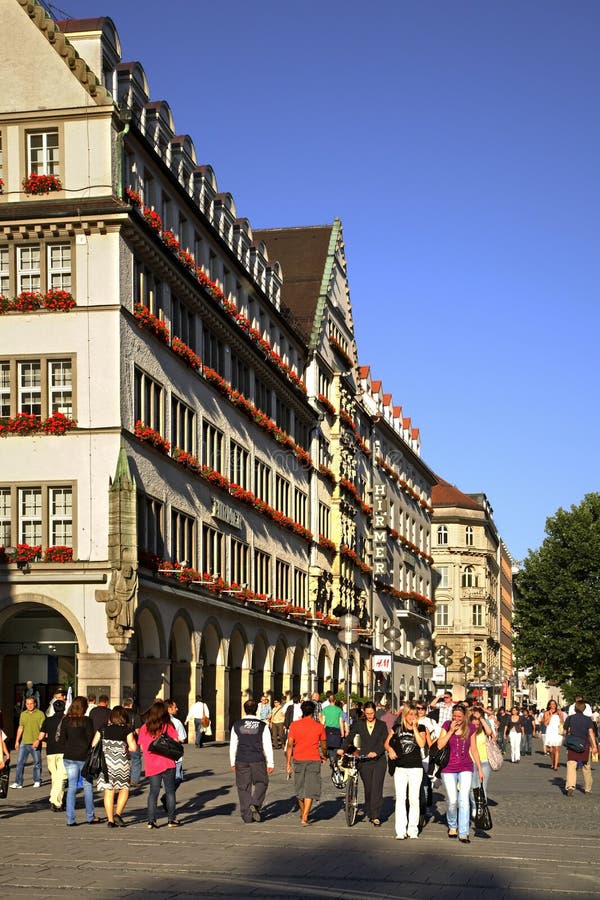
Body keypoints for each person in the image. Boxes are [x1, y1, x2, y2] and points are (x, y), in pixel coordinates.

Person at [436, 703, 484, 843]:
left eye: (459, 716)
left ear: (465, 716)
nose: (456, 718)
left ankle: (464, 832)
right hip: (449, 768)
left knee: (463, 799)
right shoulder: (446, 725)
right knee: (452, 800)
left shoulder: (471, 727)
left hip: (466, 766)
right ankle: (452, 825)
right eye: (454, 716)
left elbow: (474, 749)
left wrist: (480, 769)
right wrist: (450, 731)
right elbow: (440, 745)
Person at [341, 700, 388, 827]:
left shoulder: (382, 725)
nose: (370, 716)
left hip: (379, 760)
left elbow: (385, 742)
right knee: (369, 788)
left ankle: (375, 815)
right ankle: (370, 810)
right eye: (367, 713)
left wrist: (377, 752)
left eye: (372, 713)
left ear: (375, 712)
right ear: (364, 713)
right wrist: (342, 748)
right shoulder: (359, 724)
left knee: (377, 787)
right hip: (365, 760)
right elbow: (350, 737)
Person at [385, 701, 428, 839]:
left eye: (414, 715)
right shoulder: (397, 728)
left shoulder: (421, 727)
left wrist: (414, 728)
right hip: (400, 768)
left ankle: (413, 830)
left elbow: (422, 744)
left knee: (414, 799)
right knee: (401, 799)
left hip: (416, 768)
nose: (412, 717)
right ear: (405, 715)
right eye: (410, 715)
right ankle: (400, 830)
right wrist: (390, 749)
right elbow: (386, 743)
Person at [137, 700, 182, 828]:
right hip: (167, 762)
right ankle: (171, 820)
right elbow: (176, 741)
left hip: (152, 764)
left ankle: (151, 821)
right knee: (170, 792)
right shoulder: (167, 725)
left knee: (153, 792)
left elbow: (141, 747)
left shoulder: (144, 728)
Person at [92, 704, 137, 827]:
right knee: (124, 789)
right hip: (121, 764)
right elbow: (133, 747)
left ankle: (110, 820)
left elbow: (94, 744)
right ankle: (118, 814)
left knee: (109, 791)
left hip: (106, 764)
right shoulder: (126, 730)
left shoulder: (103, 728)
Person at [230, 698, 274, 823]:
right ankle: (255, 803)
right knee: (262, 782)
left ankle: (247, 816)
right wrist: (270, 762)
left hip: (242, 758)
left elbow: (233, 744)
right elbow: (267, 745)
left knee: (243, 787)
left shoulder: (237, 724)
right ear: (257, 710)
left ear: (244, 709)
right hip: (257, 758)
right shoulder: (262, 725)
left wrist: (232, 761)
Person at [286, 700, 327, 825]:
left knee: (300, 787)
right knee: (310, 788)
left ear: (302, 711)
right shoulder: (319, 726)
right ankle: (304, 816)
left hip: (298, 758)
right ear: (313, 712)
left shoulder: (294, 725)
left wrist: (288, 763)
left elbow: (289, 745)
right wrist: (324, 755)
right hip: (313, 759)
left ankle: (304, 813)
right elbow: (324, 745)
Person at [59, 696, 98, 826]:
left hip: (69, 756)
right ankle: (90, 816)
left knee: (71, 787)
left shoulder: (66, 721)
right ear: (84, 707)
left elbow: (62, 739)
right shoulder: (87, 721)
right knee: (87, 786)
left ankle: (70, 819)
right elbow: (90, 739)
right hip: (83, 757)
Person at [563, 700, 598, 797]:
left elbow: (564, 731)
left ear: (574, 708)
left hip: (573, 743)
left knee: (571, 765)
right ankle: (588, 788)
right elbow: (591, 733)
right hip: (584, 743)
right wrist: (594, 746)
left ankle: (570, 786)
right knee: (586, 766)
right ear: (584, 708)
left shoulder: (570, 718)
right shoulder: (588, 720)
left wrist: (567, 737)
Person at [38, 698, 67, 811]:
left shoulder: (48, 720)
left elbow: (41, 736)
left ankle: (54, 799)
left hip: (50, 751)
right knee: (61, 778)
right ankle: (57, 802)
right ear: (64, 708)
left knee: (55, 777)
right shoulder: (67, 720)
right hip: (63, 751)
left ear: (53, 709)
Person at [11, 696, 45, 788]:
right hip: (24, 742)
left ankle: (37, 780)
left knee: (37, 762)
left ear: (35, 704)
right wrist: (17, 741)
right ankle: (18, 782)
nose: (29, 705)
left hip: (35, 742)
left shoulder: (40, 714)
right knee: (19, 762)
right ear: (25, 704)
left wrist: (39, 740)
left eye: (31, 703)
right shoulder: (23, 714)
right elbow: (20, 727)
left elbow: (43, 728)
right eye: (27, 704)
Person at [469, 706, 494, 820]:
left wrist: (482, 718)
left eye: (477, 723)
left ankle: (482, 808)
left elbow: (490, 732)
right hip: (471, 762)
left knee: (482, 787)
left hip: (484, 761)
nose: (476, 725)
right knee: (472, 787)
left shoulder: (483, 729)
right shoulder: (468, 730)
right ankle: (474, 806)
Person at [162, 699, 186, 806]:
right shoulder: (176, 722)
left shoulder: (158, 721)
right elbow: (182, 738)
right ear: (169, 708)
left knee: (165, 779)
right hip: (175, 755)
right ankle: (168, 797)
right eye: (175, 707)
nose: (177, 709)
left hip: (161, 755)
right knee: (178, 778)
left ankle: (167, 796)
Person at [320, 692, 346, 764]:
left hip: (327, 730)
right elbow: (341, 722)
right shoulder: (339, 710)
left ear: (329, 701)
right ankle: (334, 758)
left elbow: (323, 721)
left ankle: (331, 757)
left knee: (329, 745)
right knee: (336, 745)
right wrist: (342, 732)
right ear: (335, 701)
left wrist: (321, 730)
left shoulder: (325, 709)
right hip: (336, 730)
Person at [123, 698, 143, 786]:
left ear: (123, 704)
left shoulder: (119, 714)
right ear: (131, 705)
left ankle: (123, 779)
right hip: (133, 740)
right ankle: (134, 780)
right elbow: (138, 730)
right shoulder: (135, 714)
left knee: (123, 760)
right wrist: (142, 742)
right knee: (136, 760)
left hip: (121, 740)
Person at [543, 699, 565, 770]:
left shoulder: (559, 712)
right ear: (549, 705)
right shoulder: (546, 713)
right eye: (551, 704)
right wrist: (550, 716)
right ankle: (553, 762)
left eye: (554, 704)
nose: (553, 705)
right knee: (550, 750)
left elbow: (562, 722)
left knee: (556, 749)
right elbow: (545, 723)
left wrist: (562, 727)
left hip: (557, 732)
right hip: (550, 731)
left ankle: (555, 765)